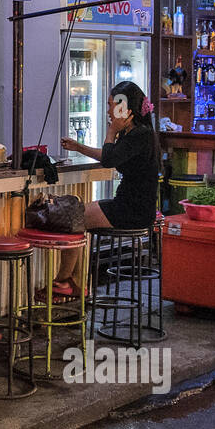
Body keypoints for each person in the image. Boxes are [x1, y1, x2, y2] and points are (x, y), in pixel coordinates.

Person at [56, 81, 160, 297]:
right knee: (76, 216)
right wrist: (79, 147)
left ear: (124, 107)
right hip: (132, 206)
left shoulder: (139, 134)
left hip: (132, 210)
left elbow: (110, 158)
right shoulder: (139, 133)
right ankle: (73, 283)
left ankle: (65, 282)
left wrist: (112, 131)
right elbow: (112, 155)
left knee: (74, 218)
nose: (108, 110)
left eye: (112, 104)